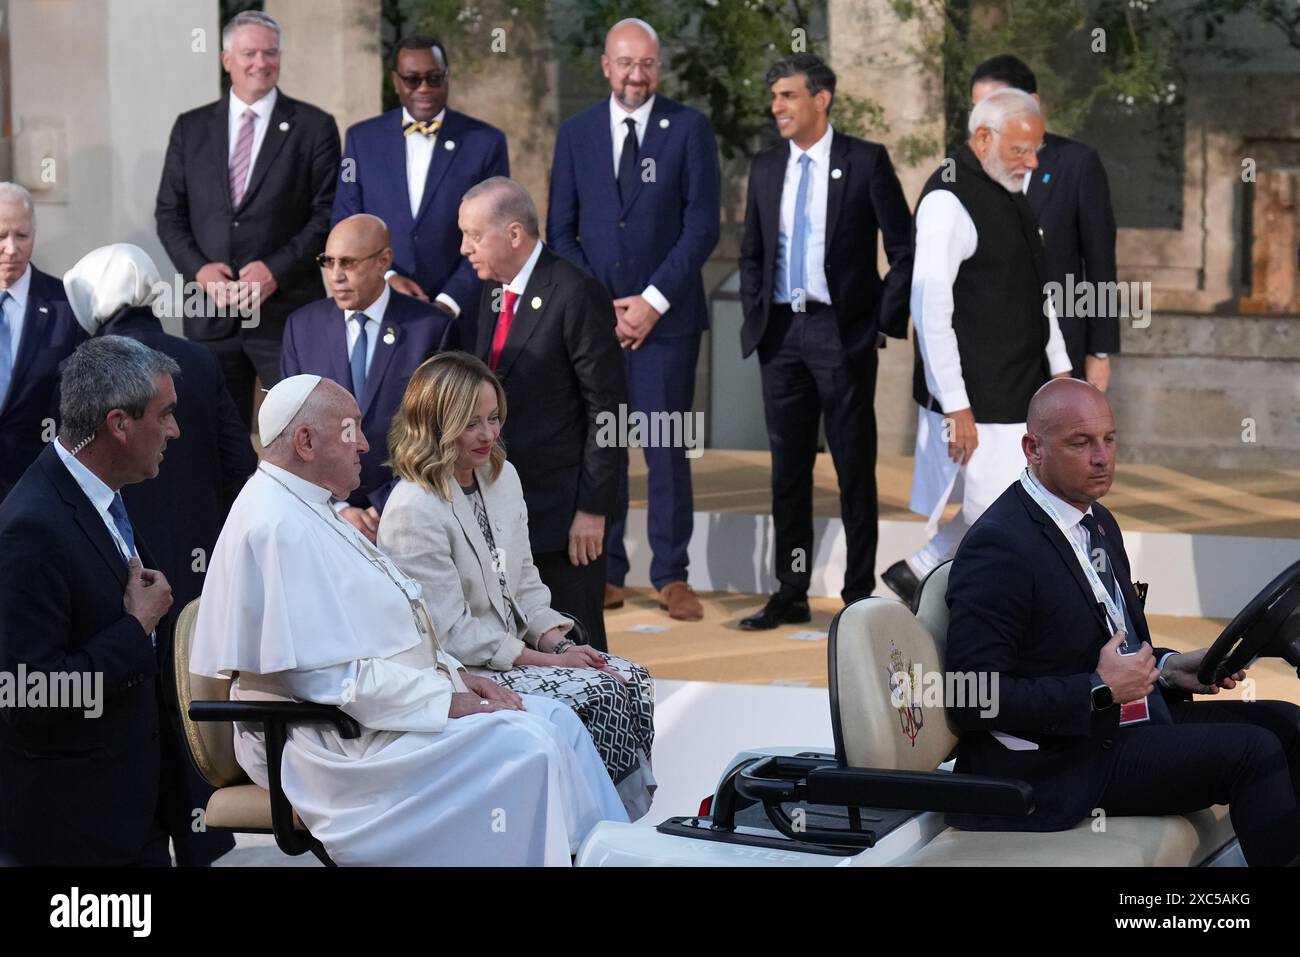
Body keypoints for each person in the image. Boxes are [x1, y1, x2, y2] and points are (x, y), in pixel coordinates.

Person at [191, 374, 627, 866]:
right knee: (526, 746)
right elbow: (324, 676)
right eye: (350, 430)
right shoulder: (275, 525)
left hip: (373, 710)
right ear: (306, 441)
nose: (365, 444)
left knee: (558, 720)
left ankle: (607, 857)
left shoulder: (309, 507)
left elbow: (398, 623)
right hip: (324, 740)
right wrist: (445, 698)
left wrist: (458, 676)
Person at [945, 377, 1300, 867]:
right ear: (1033, 448)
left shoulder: (1096, 521)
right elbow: (971, 695)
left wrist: (1172, 668)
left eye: (1109, 439)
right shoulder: (1000, 546)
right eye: (1080, 443)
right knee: (1252, 751)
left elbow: (1118, 644)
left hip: (1124, 722)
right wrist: (1097, 690)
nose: (1102, 457)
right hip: (1059, 760)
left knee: (1288, 721)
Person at [379, 352, 657, 818]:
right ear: (436, 424)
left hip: (513, 655)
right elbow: (451, 634)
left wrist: (555, 637)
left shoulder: (500, 475)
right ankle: (595, 825)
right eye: (471, 424)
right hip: (464, 670)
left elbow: (524, 579)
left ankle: (618, 818)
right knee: (599, 695)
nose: (488, 435)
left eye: (493, 419)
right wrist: (542, 659)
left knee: (630, 678)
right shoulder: (413, 508)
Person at [62, 244, 257, 865]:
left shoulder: (84, 371)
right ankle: (204, 838)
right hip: (200, 581)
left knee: (137, 714)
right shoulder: (198, 360)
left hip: (120, 575)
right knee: (192, 709)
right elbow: (238, 468)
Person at [548, 18, 721, 622]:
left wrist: (652, 300)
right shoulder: (575, 134)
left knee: (666, 447)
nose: (636, 75)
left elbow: (703, 225)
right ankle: (607, 572)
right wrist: (603, 306)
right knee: (606, 443)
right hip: (596, 323)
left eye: (646, 63)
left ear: (659, 66)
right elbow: (559, 231)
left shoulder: (690, 129)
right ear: (605, 65)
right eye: (625, 63)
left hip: (666, 321)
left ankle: (672, 574)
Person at [737, 55, 913, 629]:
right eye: (774, 97)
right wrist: (757, 317)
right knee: (788, 470)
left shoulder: (865, 161)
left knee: (852, 469)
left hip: (841, 335)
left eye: (788, 96)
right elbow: (752, 252)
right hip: (781, 335)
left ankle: (856, 597)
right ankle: (789, 591)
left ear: (822, 98)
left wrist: (874, 324)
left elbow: (904, 249)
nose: (777, 108)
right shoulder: (765, 167)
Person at [882, 88, 1072, 607]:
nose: (1032, 162)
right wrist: (955, 405)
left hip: (1022, 387)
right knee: (1006, 518)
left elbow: (1038, 291)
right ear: (984, 138)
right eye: (1021, 150)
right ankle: (973, 612)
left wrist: (1061, 372)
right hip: (979, 398)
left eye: (1035, 151)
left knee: (1010, 506)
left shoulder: (1007, 184)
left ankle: (918, 571)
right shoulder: (946, 199)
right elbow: (930, 308)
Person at [0, 336, 179, 865]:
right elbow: (29, 697)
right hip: (73, 837)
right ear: (119, 424)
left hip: (132, 817)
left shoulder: (100, 494)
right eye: (165, 415)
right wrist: (134, 628)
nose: (175, 430)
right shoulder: (31, 528)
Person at [155, 9, 340, 430]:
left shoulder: (314, 126)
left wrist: (276, 270)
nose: (261, 62)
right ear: (226, 60)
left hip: (286, 312)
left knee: (300, 429)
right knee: (215, 435)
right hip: (210, 312)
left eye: (270, 53)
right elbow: (169, 212)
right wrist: (200, 270)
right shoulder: (191, 127)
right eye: (250, 53)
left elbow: (327, 212)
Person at [463, 177, 627, 651]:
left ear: (514, 234)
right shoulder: (490, 295)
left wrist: (593, 509)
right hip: (498, 508)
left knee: (578, 645)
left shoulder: (577, 293)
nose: (464, 248)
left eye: (474, 235)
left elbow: (609, 411)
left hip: (563, 520)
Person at [281, 214, 456, 539]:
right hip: (324, 517)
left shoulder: (430, 329)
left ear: (383, 261)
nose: (336, 276)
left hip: (409, 514)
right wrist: (338, 508)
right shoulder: (302, 327)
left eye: (347, 263)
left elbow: (439, 430)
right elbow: (291, 429)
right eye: (328, 261)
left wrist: (385, 505)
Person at [333, 35, 508, 349]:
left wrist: (448, 301)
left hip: (460, 315)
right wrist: (386, 278)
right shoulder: (362, 138)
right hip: (381, 306)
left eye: (434, 78)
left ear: (447, 78)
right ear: (396, 82)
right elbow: (347, 220)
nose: (424, 88)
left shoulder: (485, 142)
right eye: (413, 79)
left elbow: (492, 233)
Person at [970, 54, 1118, 389]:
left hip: (1059, 348)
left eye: (996, 106)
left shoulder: (1076, 163)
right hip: (986, 349)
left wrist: (1100, 352)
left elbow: (1099, 264)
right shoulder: (966, 169)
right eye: (977, 109)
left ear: (1032, 103)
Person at [0, 183, 85, 500]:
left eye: (21, 236)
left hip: (39, 487)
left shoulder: (66, 304)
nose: (11, 248)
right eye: (1, 236)